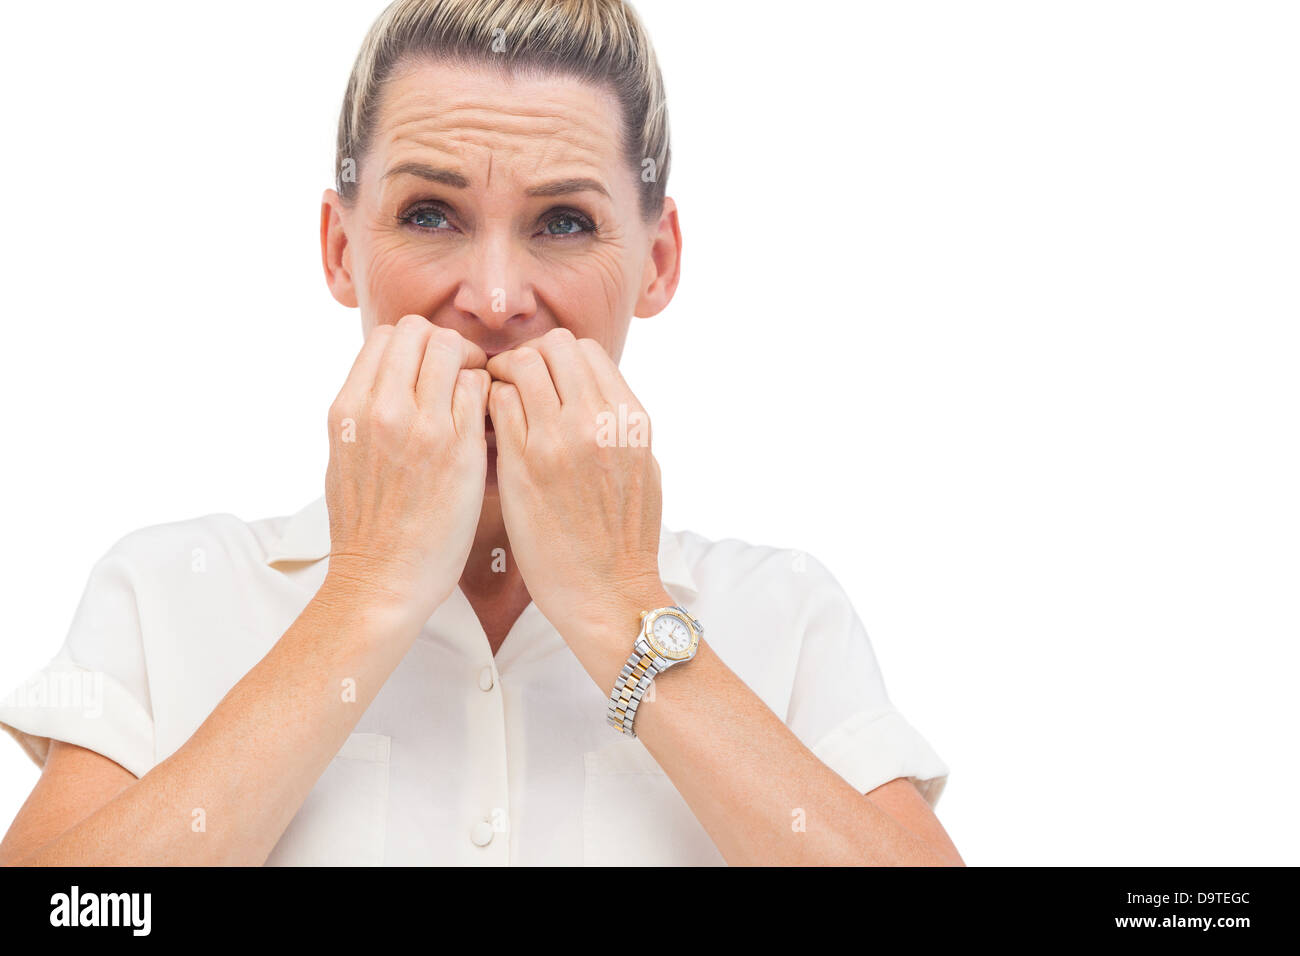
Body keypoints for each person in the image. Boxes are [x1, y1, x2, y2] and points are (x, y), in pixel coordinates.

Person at [0, 0, 961, 866]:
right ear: (341, 250)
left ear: (657, 263)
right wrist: (368, 592)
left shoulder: (782, 615)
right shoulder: (166, 592)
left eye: (565, 224)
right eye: (430, 213)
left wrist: (622, 610)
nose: (496, 301)